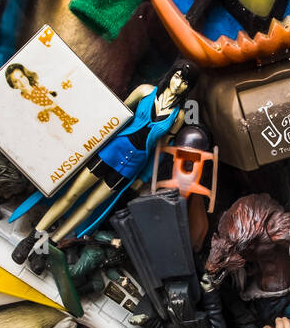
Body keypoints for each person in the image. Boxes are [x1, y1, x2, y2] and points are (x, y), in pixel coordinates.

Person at [11, 60, 198, 268]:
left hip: (132, 165)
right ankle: (32, 238)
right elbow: (116, 116)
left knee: (90, 206)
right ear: (171, 74)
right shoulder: (145, 91)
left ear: (189, 88)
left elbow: (160, 149)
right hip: (111, 150)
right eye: (178, 76)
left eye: (185, 82)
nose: (179, 83)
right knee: (71, 194)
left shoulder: (178, 116)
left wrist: (143, 177)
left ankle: (49, 246)